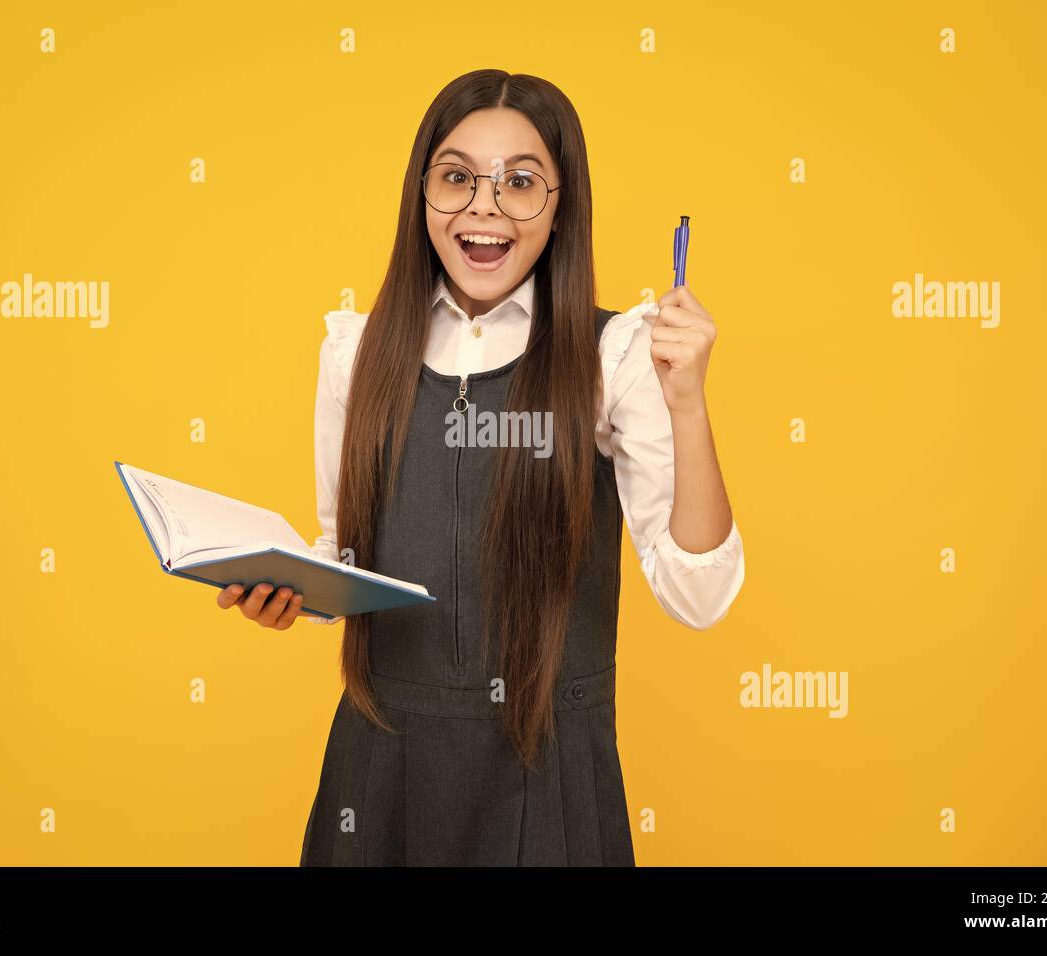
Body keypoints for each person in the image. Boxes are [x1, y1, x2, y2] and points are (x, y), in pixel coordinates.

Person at [215, 69, 745, 865]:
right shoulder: (354, 354)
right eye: (457, 177)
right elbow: (343, 558)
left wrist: (689, 402)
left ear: (562, 205)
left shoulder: (612, 356)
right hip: (380, 771)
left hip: (548, 775)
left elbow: (698, 595)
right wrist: (292, 590)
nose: (485, 207)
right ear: (421, 193)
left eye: (521, 183)